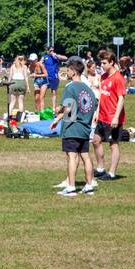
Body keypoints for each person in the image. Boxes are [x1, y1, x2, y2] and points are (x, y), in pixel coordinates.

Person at [50, 57, 98, 197]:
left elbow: (68, 108)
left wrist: (58, 111)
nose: (67, 73)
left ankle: (70, 187)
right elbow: (91, 106)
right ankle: (89, 185)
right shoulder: (88, 89)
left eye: (68, 70)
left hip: (72, 127)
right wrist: (58, 119)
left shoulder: (70, 88)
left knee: (71, 156)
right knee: (86, 156)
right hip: (85, 127)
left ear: (73, 71)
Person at [93, 50, 126, 181]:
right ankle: (100, 168)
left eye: (104, 63)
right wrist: (97, 111)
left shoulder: (118, 78)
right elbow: (101, 95)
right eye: (101, 62)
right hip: (102, 116)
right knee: (96, 140)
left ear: (112, 62)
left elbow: (121, 99)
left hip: (113, 117)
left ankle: (112, 173)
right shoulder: (103, 76)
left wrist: (116, 117)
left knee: (113, 145)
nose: (102, 65)